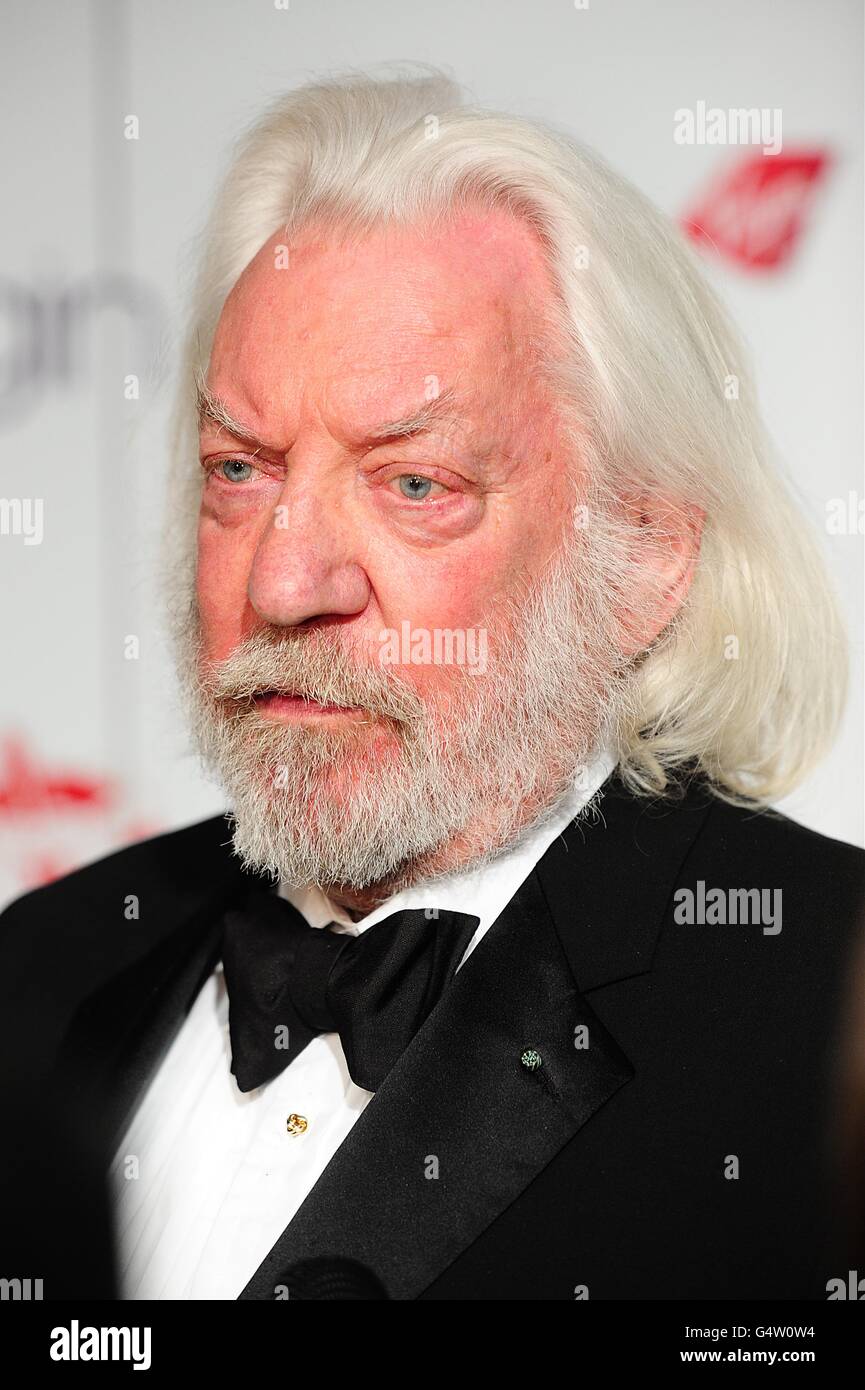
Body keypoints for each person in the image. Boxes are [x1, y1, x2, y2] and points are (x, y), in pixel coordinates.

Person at [1, 66, 862, 1301]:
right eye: (239, 469)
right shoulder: (41, 967)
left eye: (415, 485)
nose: (285, 581)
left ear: (641, 561)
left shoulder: (828, 1010)